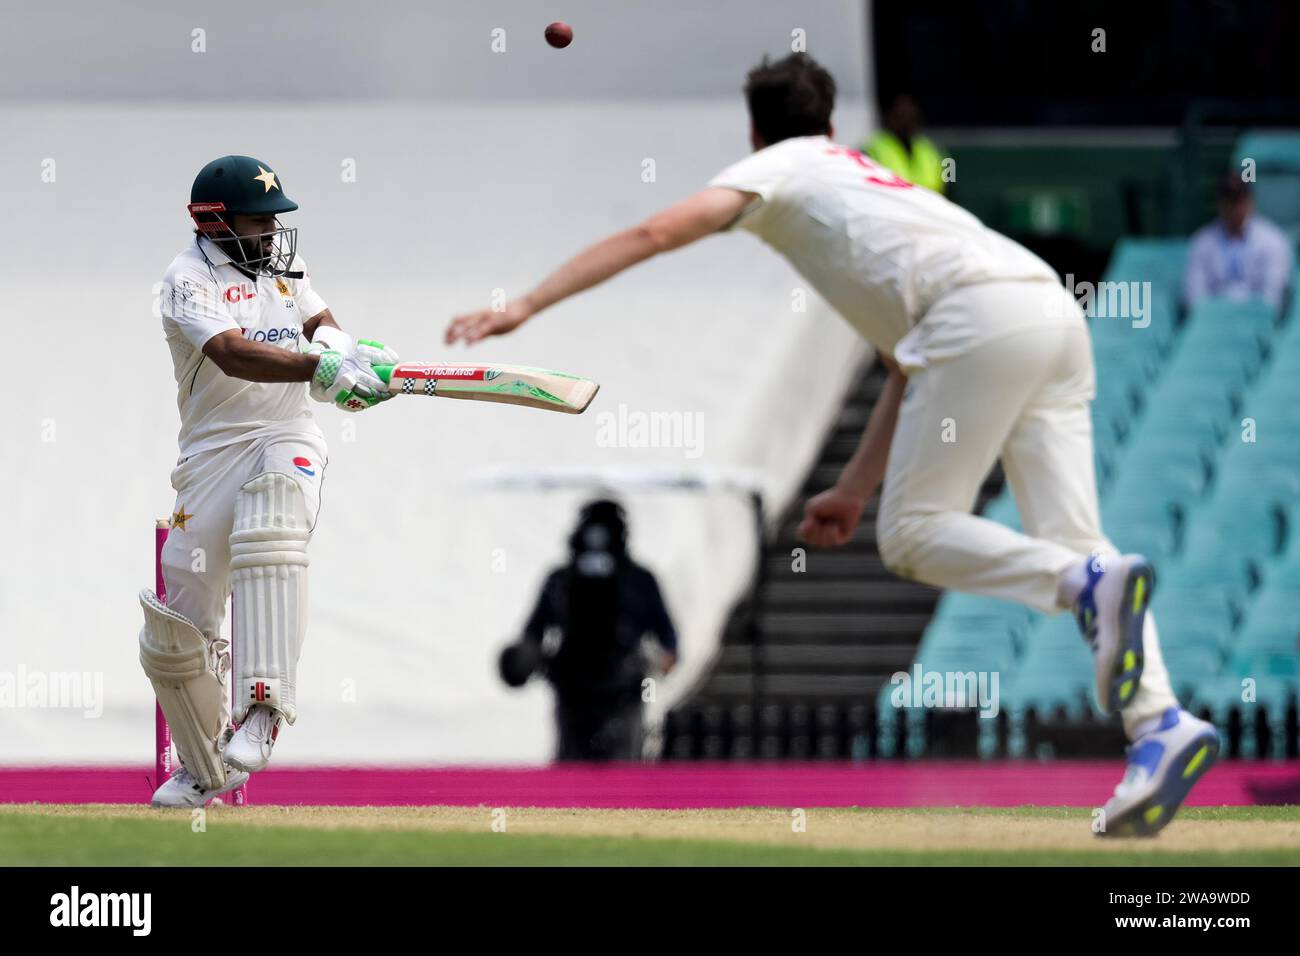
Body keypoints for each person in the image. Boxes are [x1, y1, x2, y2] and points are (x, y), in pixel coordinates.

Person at [445, 53, 1220, 835]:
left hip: (975, 320)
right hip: (1046, 309)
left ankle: (1080, 581)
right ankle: (1160, 725)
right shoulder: (867, 187)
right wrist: (850, 488)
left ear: (755, 131)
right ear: (833, 124)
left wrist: (529, 304)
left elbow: (655, 230)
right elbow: (901, 368)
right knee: (1082, 545)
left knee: (917, 538)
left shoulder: (778, 169)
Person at [143, 155, 397, 807]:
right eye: (261, 221)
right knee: (180, 627)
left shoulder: (283, 264)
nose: (273, 232)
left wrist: (345, 349)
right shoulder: (184, 280)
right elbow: (231, 353)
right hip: (211, 454)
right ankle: (203, 763)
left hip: (286, 436)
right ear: (217, 223)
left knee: (274, 526)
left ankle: (264, 710)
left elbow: (318, 320)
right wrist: (320, 369)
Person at [500, 500, 678, 761]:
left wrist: (664, 657)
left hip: (620, 692)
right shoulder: (563, 580)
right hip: (576, 691)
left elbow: (666, 635)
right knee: (578, 771)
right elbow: (534, 633)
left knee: (616, 773)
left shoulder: (637, 580)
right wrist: (524, 659)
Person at [1184, 172, 1293, 309]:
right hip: (1213, 321)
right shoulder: (1201, 242)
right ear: (1220, 203)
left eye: (1238, 200)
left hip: (1258, 321)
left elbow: (1272, 296)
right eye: (1228, 200)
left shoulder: (1273, 240)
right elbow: (1194, 297)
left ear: (1250, 202)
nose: (1234, 208)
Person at [862, 93, 947, 193]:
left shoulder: (929, 149)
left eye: (912, 116)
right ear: (887, 117)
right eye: (901, 116)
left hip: (927, 206)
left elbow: (947, 185)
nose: (906, 122)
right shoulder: (872, 149)